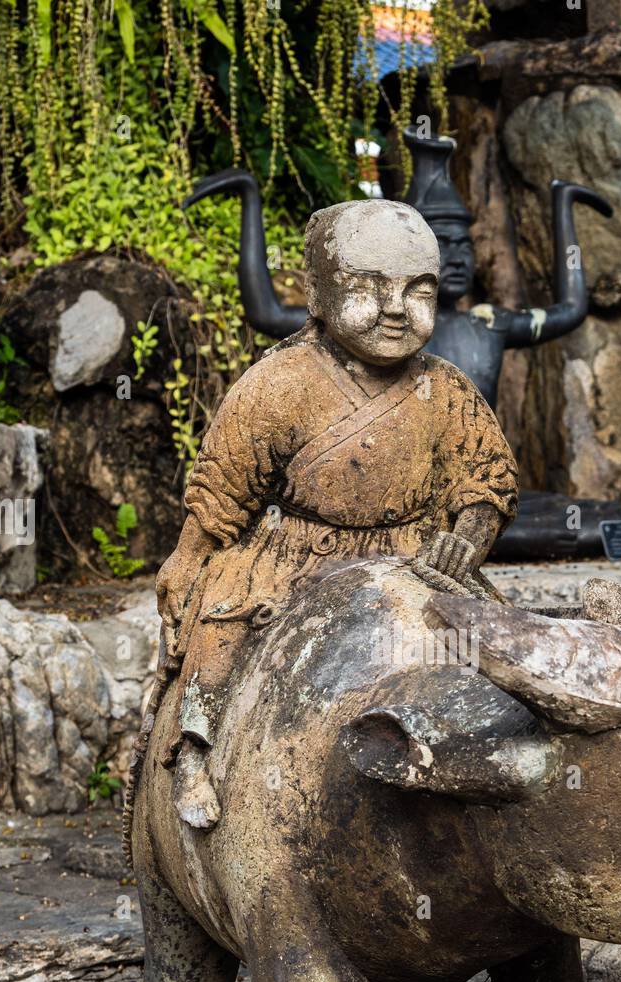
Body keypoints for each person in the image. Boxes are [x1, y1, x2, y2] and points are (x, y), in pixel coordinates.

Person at [155, 199, 518, 829]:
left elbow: (485, 476)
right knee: (221, 621)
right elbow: (224, 486)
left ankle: (515, 759)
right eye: (370, 289)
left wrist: (469, 535)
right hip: (293, 556)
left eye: (418, 290)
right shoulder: (278, 383)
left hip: (412, 556)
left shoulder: (446, 388)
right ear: (320, 296)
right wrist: (191, 557)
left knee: (500, 647)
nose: (397, 308)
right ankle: (195, 746)